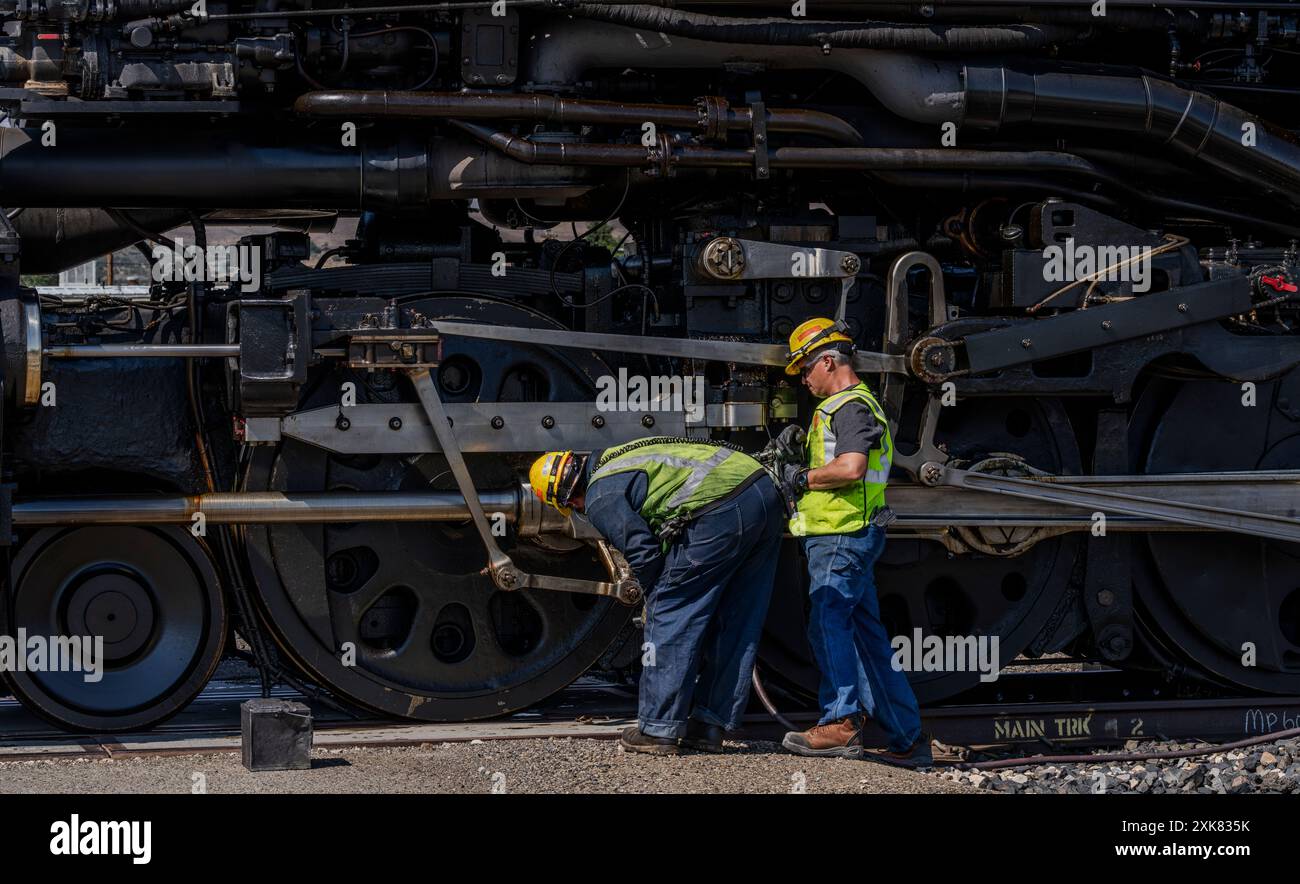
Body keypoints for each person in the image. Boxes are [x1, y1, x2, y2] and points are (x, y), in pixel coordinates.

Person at [528, 437, 784, 755]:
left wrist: (654, 601)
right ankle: (709, 725)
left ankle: (657, 728)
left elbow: (644, 555)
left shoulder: (598, 496)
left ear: (569, 499)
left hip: (719, 508)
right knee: (738, 618)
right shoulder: (616, 453)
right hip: (763, 491)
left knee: (669, 608)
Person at [777, 317, 931, 767]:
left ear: (829, 361)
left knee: (828, 624)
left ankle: (841, 722)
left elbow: (850, 469)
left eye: (805, 368)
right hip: (847, 535)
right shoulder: (854, 406)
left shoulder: (849, 406)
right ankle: (907, 736)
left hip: (841, 536)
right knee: (866, 637)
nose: (803, 379)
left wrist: (801, 477)